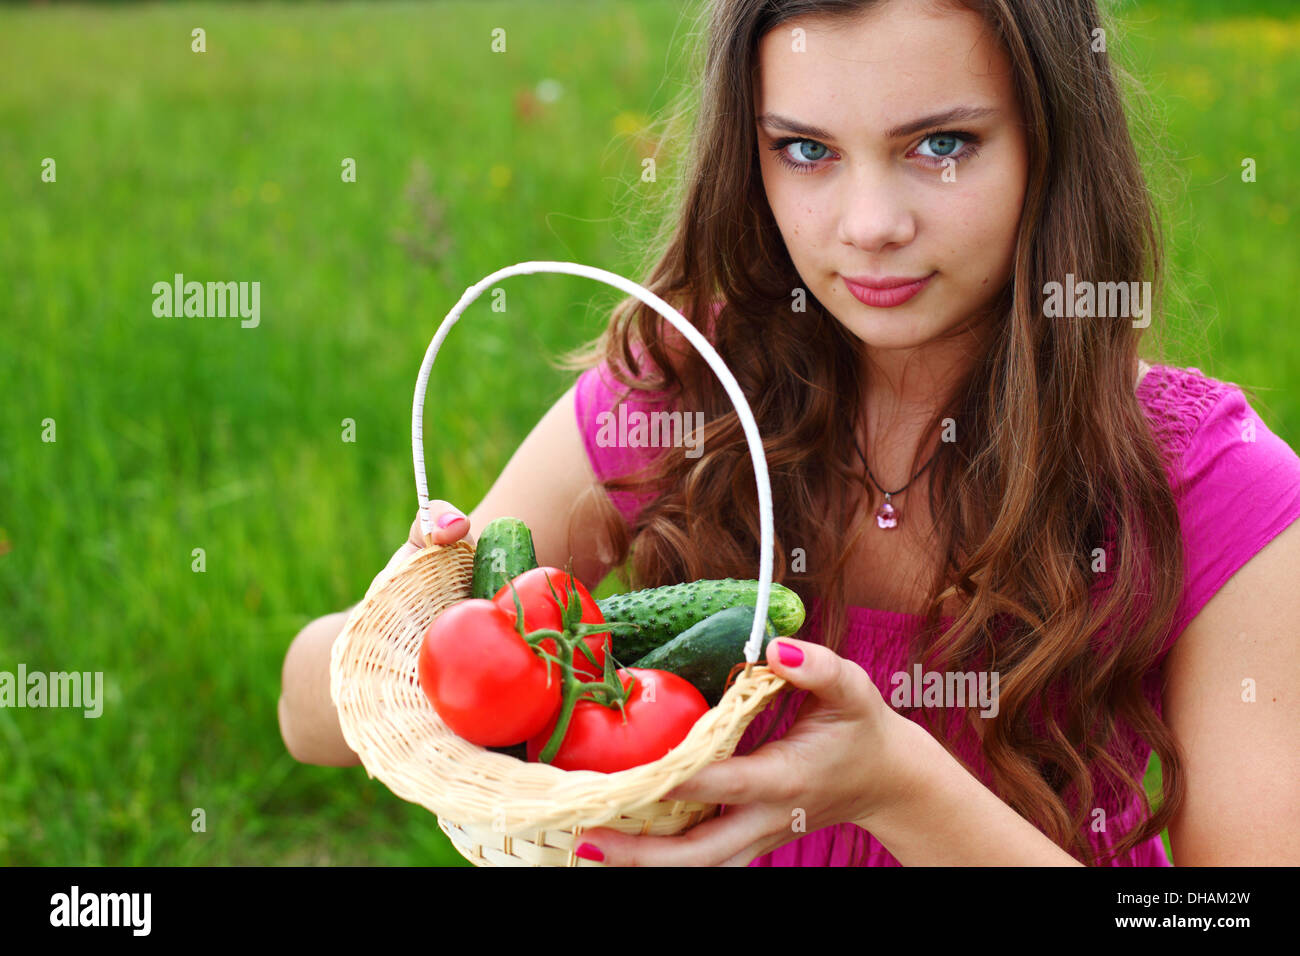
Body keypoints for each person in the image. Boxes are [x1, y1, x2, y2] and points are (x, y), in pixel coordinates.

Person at [279, 0, 1300, 866]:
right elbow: (305, 710)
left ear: (1055, 140)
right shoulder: (689, 393)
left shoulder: (1211, 482)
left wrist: (893, 787)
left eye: (940, 145)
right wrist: (418, 632)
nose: (867, 223)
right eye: (805, 150)